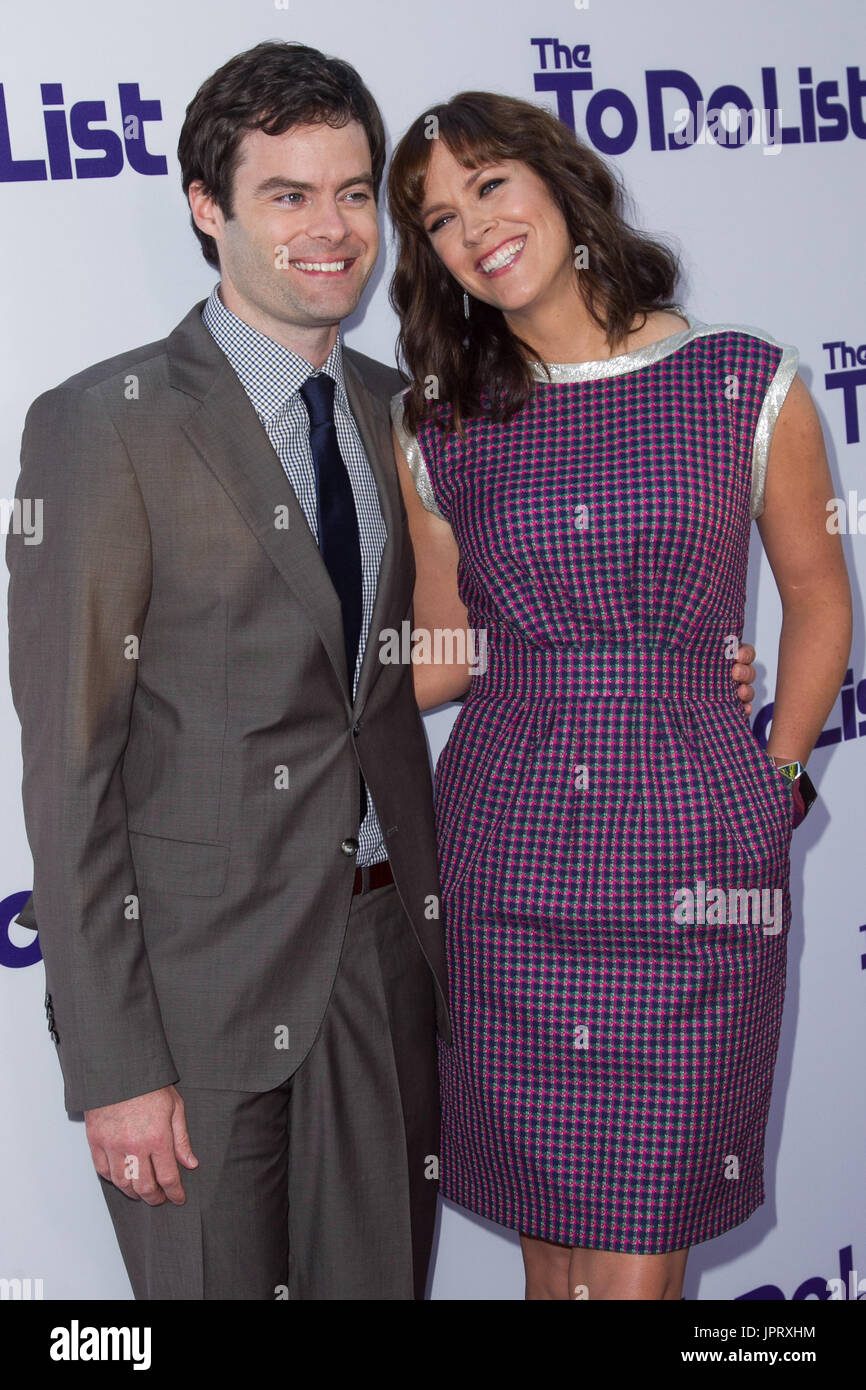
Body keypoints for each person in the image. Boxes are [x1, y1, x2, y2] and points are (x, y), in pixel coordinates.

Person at [386, 90, 852, 1301]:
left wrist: (779, 770)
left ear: (556, 180)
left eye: (489, 185)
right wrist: (266, 679)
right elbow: (445, 648)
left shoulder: (743, 381)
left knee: (638, 1261)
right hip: (504, 852)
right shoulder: (436, 424)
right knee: (555, 1262)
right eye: (438, 219)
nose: (473, 229)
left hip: (694, 852)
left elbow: (818, 600)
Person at [5, 41, 451, 1301]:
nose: (333, 229)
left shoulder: (397, 409)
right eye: (288, 194)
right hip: (191, 998)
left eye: (355, 191)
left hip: (377, 968)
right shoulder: (106, 424)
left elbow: (424, 653)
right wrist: (112, 1062)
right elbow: (70, 766)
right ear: (209, 209)